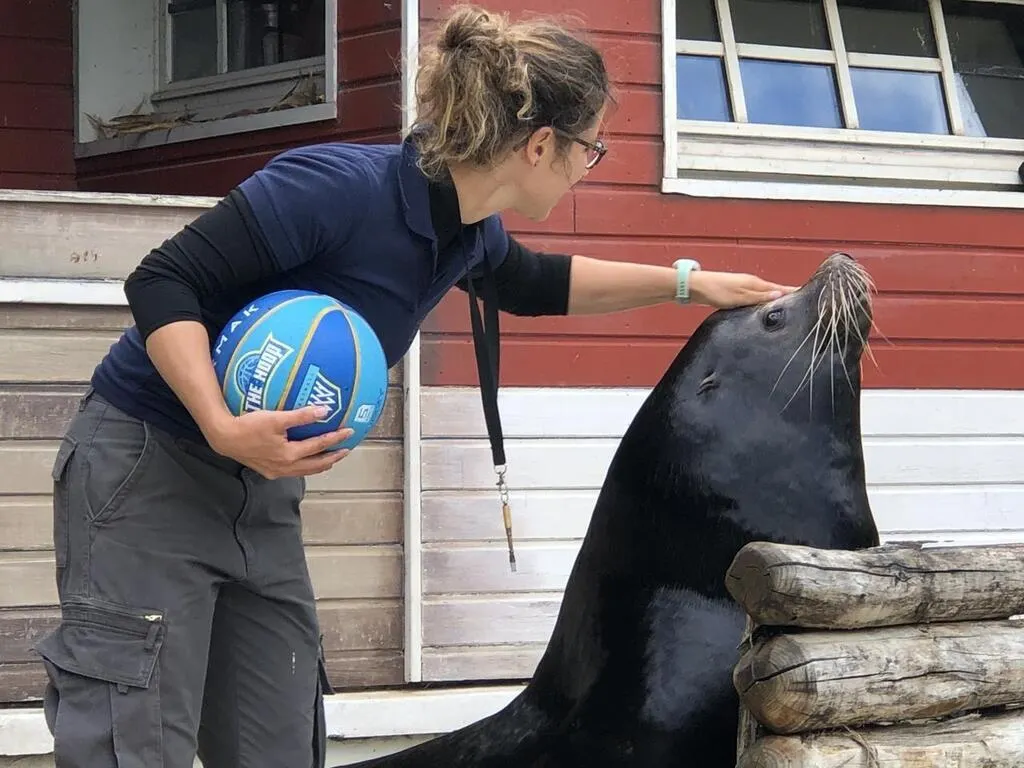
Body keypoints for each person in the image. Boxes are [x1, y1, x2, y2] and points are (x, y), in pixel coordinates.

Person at [33, 4, 795, 767]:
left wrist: (689, 283)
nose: (587, 166)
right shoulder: (337, 191)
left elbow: (533, 281)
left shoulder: (464, 228)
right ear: (540, 146)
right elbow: (164, 280)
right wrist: (221, 422)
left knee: (275, 743)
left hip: (256, 491)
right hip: (149, 467)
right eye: (589, 150)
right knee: (133, 747)